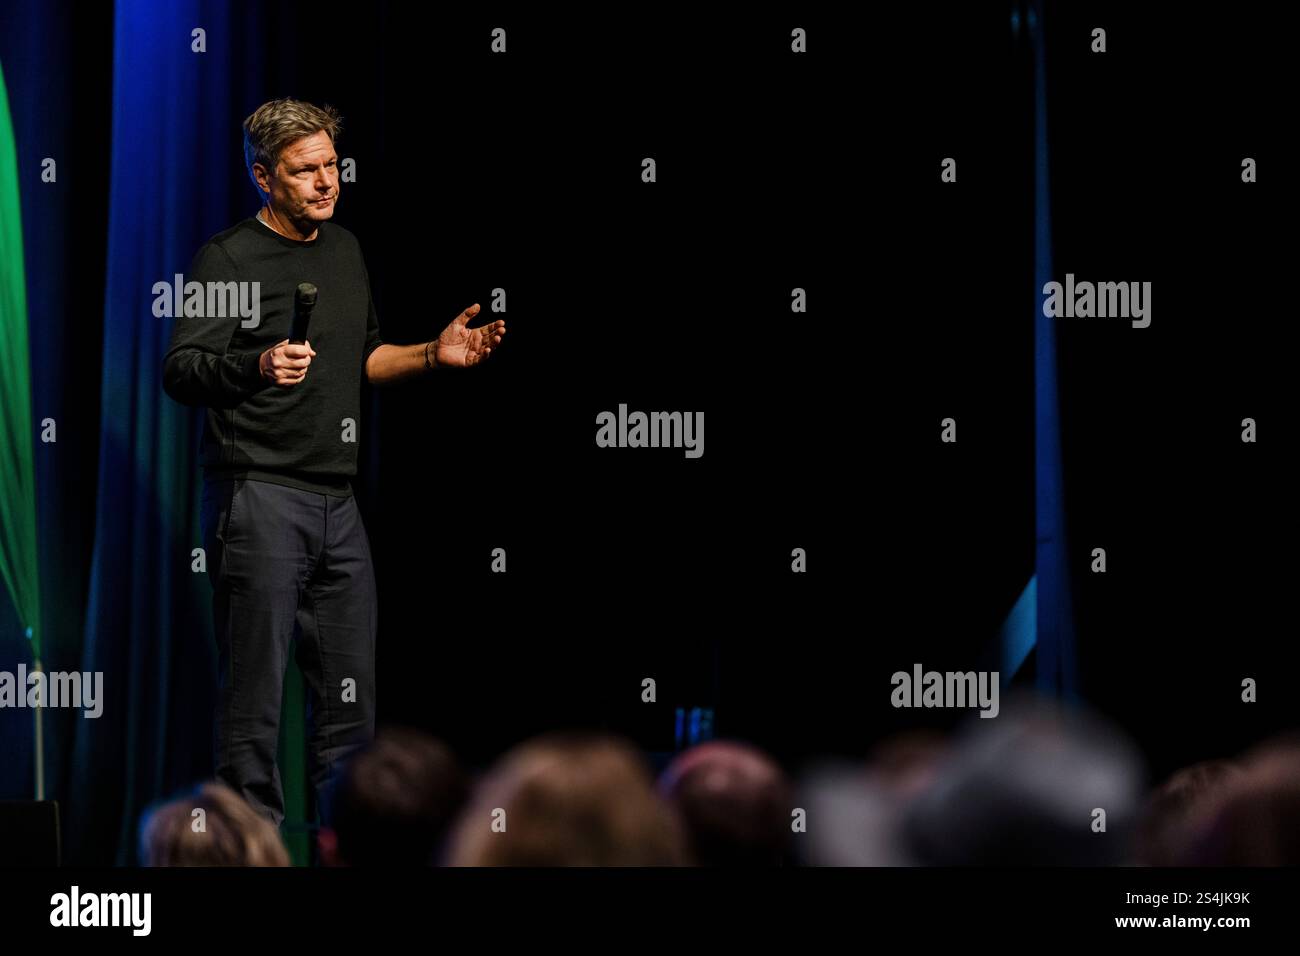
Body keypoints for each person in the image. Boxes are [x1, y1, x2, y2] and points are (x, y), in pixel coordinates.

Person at [162, 98, 506, 826]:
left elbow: (362, 360)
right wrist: (256, 363)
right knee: (253, 712)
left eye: (331, 167)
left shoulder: (344, 250)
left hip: (338, 505)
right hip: (258, 495)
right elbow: (182, 369)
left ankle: (348, 850)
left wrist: (431, 356)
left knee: (352, 716)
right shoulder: (228, 258)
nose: (326, 183)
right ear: (263, 178)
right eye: (304, 171)